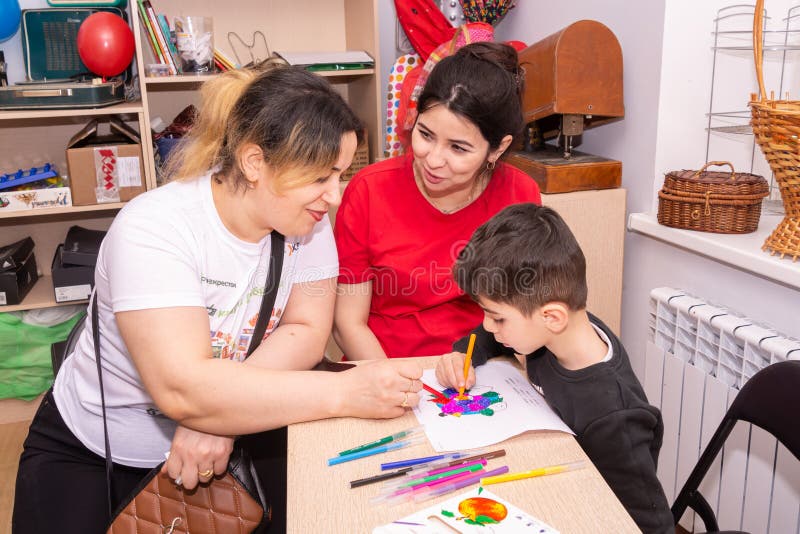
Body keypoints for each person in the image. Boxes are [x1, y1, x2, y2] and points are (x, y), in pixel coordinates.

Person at [13, 64, 424, 534]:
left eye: (340, 175)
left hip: (230, 445)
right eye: (321, 177)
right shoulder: (154, 229)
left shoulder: (310, 225)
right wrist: (347, 391)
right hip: (92, 451)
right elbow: (182, 387)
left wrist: (219, 415)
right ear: (254, 162)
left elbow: (307, 331)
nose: (334, 196)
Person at [435, 203, 674, 534]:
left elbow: (649, 521)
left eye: (497, 317)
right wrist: (464, 354)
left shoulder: (612, 415)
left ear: (552, 317)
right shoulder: (550, 332)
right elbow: (495, 339)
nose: (488, 327)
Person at [333, 42, 541, 360]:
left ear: (498, 149)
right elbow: (348, 322)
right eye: (426, 134)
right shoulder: (369, 191)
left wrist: (468, 364)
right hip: (382, 366)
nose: (433, 160)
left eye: (458, 148)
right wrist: (392, 383)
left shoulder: (519, 196)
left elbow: (520, 313)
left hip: (479, 366)